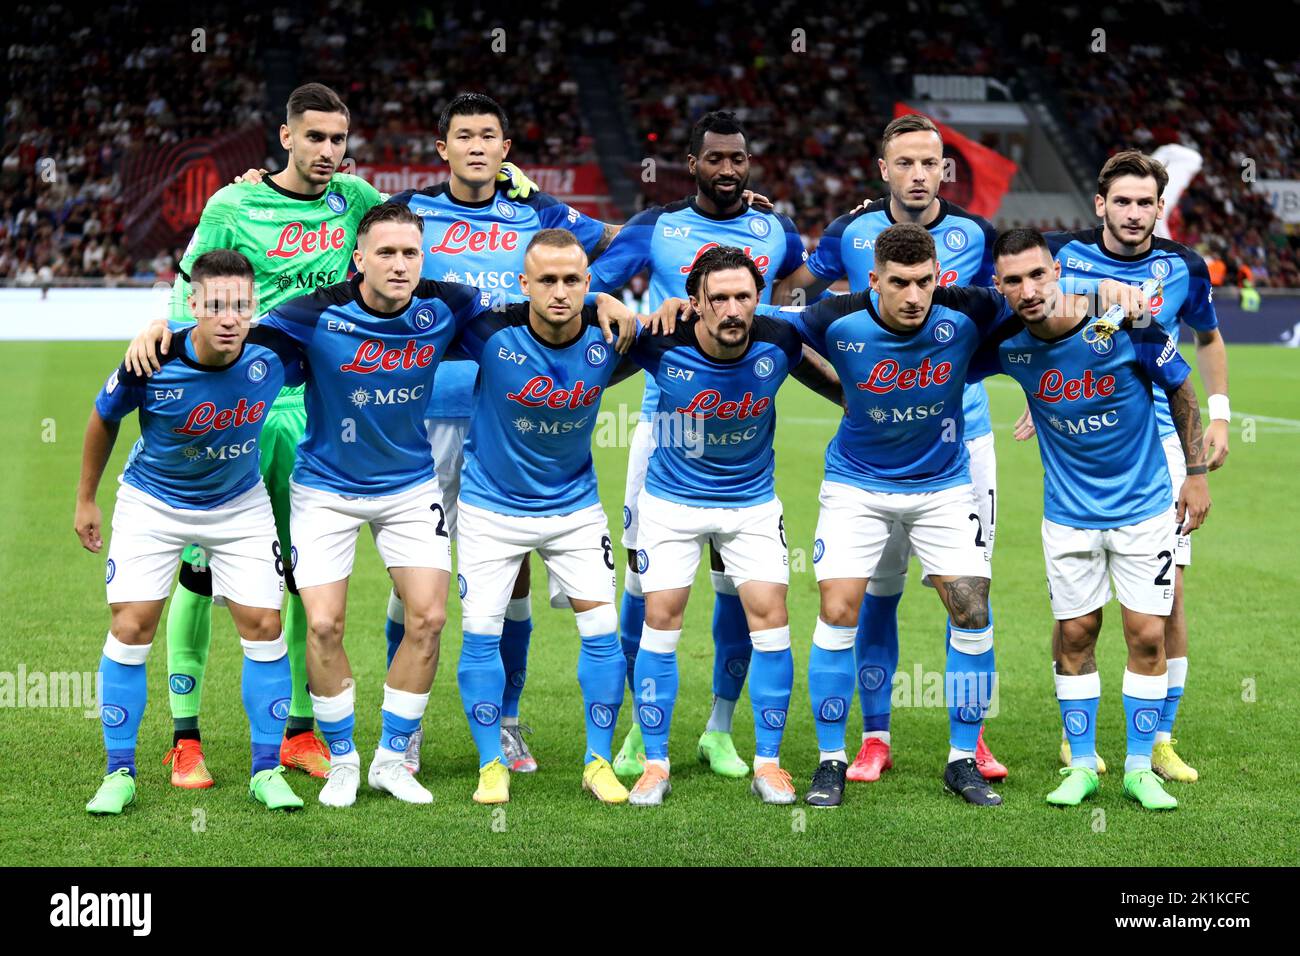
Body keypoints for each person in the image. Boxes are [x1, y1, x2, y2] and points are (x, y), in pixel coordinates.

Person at [773, 113, 1008, 784]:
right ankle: (872, 737)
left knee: (968, 595)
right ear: (884, 169)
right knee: (875, 595)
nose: (917, 173)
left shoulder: (976, 236)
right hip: (872, 444)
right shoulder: (848, 233)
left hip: (961, 440)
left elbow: (1014, 306)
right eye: (904, 162)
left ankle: (972, 739)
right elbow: (794, 299)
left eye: (929, 163)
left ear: (944, 169)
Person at [588, 110, 809, 782]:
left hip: (743, 433)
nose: (728, 169)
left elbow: (802, 284)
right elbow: (596, 283)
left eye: (737, 158)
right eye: (715, 158)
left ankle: (719, 726)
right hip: (666, 428)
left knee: (739, 593)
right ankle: (636, 729)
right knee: (644, 590)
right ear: (692, 162)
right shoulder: (656, 226)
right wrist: (629, 312)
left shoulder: (776, 229)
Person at [971, 228, 1211, 809]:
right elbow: (939, 354)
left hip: (1144, 510)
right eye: (1012, 281)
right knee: (1076, 634)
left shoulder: (1124, 325)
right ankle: (1080, 765)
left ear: (1056, 271)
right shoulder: (1004, 343)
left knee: (1147, 635)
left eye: (1036, 275)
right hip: (1069, 517)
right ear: (998, 287)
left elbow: (1182, 390)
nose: (1027, 290)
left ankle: (1137, 767)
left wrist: (1196, 473)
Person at [77, 250, 306, 815]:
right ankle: (118, 773)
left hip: (238, 503)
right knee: (132, 626)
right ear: (194, 306)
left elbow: (344, 337)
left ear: (255, 306)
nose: (230, 318)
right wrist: (86, 499)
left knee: (263, 624)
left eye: (241, 306)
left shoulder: (275, 351)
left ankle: (266, 770)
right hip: (153, 503)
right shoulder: (152, 357)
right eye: (217, 306)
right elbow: (103, 417)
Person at [623, 246, 843, 806]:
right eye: (717, 297)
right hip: (670, 506)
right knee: (661, 625)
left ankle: (768, 763)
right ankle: (654, 762)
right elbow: (585, 355)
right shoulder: (659, 341)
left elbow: (832, 375)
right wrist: (605, 298)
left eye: (742, 296)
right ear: (694, 303)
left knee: (771, 625)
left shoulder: (781, 339)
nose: (731, 309)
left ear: (758, 298)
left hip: (751, 507)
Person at [1045, 150, 1228, 782]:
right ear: (1100, 205)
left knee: (1168, 598)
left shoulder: (1183, 266)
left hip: (1166, 435)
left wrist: (1221, 417)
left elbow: (1208, 337)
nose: (1132, 212)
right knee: (1078, 611)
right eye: (1120, 201)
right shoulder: (1061, 257)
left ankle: (1160, 738)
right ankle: (1078, 736)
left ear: (1160, 206)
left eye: (1144, 202)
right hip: (1085, 429)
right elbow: (1015, 312)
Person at [451, 228, 635, 805]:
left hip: (574, 509)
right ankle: (490, 765)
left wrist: (625, 304)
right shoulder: (487, 330)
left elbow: (710, 323)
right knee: (480, 635)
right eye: (548, 280)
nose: (560, 292)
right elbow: (405, 305)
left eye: (573, 281)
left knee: (603, 634)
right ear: (524, 284)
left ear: (589, 283)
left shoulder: (614, 335)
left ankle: (598, 761)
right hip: (489, 508)